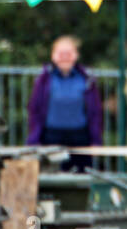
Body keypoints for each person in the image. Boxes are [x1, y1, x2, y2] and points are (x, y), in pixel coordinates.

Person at [27, 35, 103, 172]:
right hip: (50, 138)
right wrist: (34, 139)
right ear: (53, 56)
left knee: (82, 182)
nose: (65, 57)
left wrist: (96, 141)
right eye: (61, 53)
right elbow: (35, 110)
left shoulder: (87, 79)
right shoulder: (43, 80)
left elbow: (95, 112)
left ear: (76, 55)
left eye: (68, 53)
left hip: (80, 139)